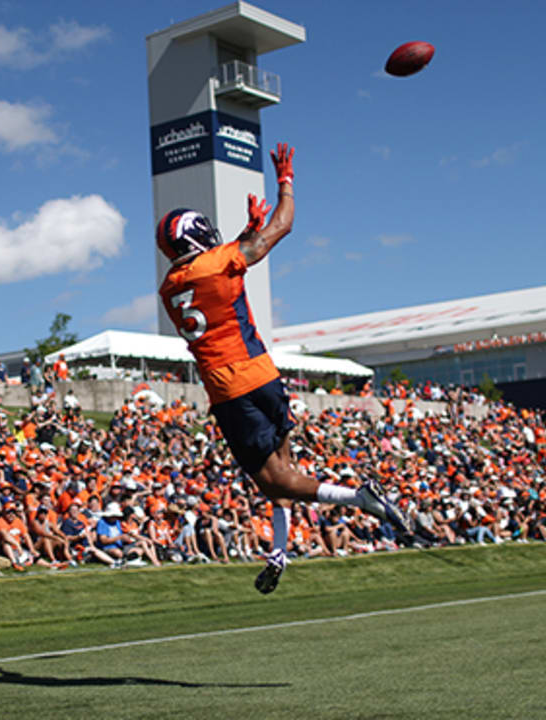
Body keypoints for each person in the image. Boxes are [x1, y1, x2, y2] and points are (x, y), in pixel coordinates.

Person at [155, 142, 410, 596]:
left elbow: (212, 271)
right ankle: (279, 550)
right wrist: (285, 180)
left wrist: (243, 236)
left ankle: (358, 499)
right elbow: (281, 226)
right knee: (284, 472)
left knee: (274, 478)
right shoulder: (219, 260)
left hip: (229, 389)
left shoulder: (169, 287)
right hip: (265, 375)